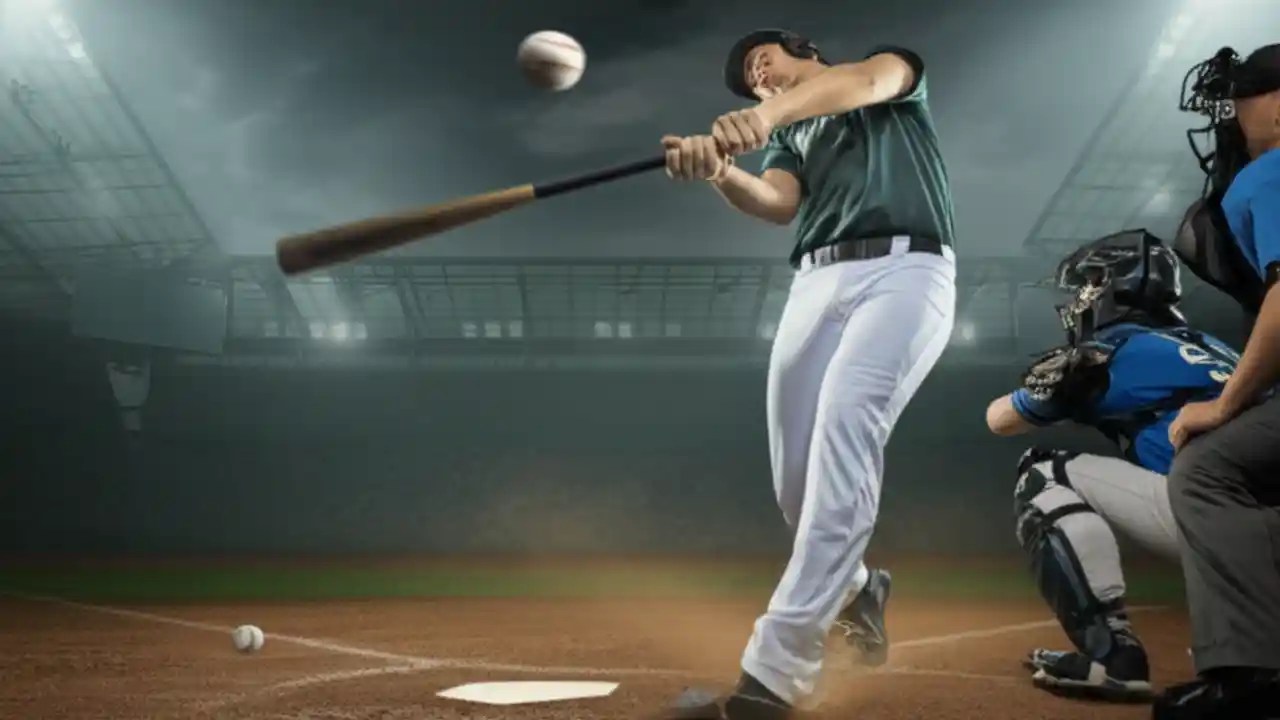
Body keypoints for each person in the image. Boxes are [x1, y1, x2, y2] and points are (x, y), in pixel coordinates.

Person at [659, 29, 956, 719]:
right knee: (796, 484)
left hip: (905, 271)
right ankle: (858, 590)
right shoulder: (791, 138)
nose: (758, 78)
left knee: (844, 441)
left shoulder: (888, 72)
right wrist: (718, 170)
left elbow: (860, 83)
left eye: (765, 62)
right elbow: (777, 204)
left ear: (806, 50)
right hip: (816, 282)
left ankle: (772, 679)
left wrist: (760, 117)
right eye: (750, 82)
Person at [984, 231, 1239, 703]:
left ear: (1112, 286)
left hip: (1219, 518)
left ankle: (1111, 657)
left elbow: (1000, 420)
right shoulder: (1214, 347)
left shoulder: (1116, 351)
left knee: (1042, 471)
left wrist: (1054, 386)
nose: (1079, 298)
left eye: (1087, 284)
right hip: (1261, 522)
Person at [1154, 43, 1280, 719]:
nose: (1228, 116)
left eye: (1244, 97)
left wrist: (1228, 401)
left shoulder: (1272, 173)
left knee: (1206, 469)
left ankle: (1253, 682)